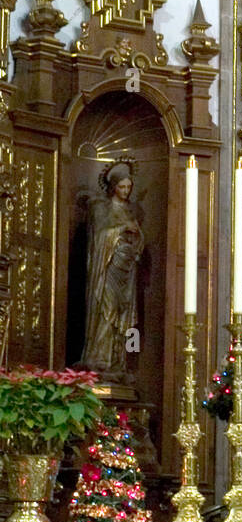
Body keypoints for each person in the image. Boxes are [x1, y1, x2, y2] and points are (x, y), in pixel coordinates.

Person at [81, 160, 144, 380]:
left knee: (123, 316)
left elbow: (139, 243)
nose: (126, 192)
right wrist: (120, 230)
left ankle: (120, 360)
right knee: (105, 311)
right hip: (106, 270)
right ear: (113, 187)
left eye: (129, 188)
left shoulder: (130, 211)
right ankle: (98, 358)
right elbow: (98, 237)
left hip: (127, 272)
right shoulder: (101, 208)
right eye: (122, 187)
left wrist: (136, 237)